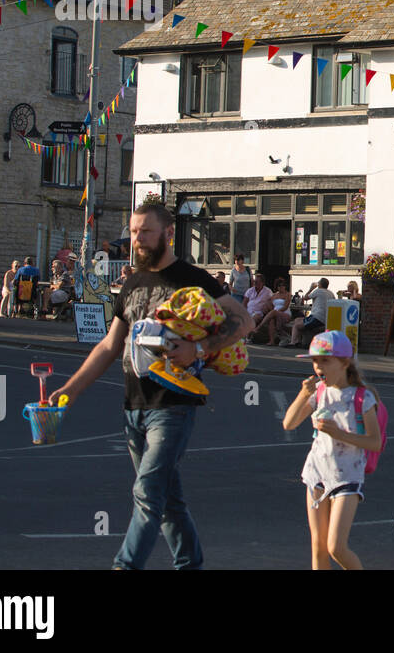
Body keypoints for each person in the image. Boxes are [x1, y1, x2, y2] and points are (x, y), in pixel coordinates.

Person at [49, 200, 252, 569]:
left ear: (168, 234)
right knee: (166, 500)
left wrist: (201, 347)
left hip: (173, 406)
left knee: (146, 493)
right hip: (134, 406)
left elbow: (243, 320)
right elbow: (111, 345)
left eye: (145, 232)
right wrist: (71, 389)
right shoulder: (132, 284)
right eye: (134, 231)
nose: (137, 239)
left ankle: (124, 566)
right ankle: (190, 563)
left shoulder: (192, 278)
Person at [282, 331, 381, 569]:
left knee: (336, 547)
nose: (318, 367)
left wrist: (339, 434)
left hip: (347, 477)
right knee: (318, 548)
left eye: (325, 360)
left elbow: (375, 442)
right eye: (315, 361)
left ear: (345, 362)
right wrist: (303, 394)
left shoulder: (361, 398)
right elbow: (289, 423)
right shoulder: (319, 392)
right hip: (317, 474)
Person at [288, 278, 337, 347]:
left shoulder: (318, 291)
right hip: (325, 319)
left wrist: (311, 289)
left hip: (317, 318)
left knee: (296, 325)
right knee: (297, 320)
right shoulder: (331, 293)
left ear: (319, 284)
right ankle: (298, 341)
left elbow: (305, 298)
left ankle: (292, 343)